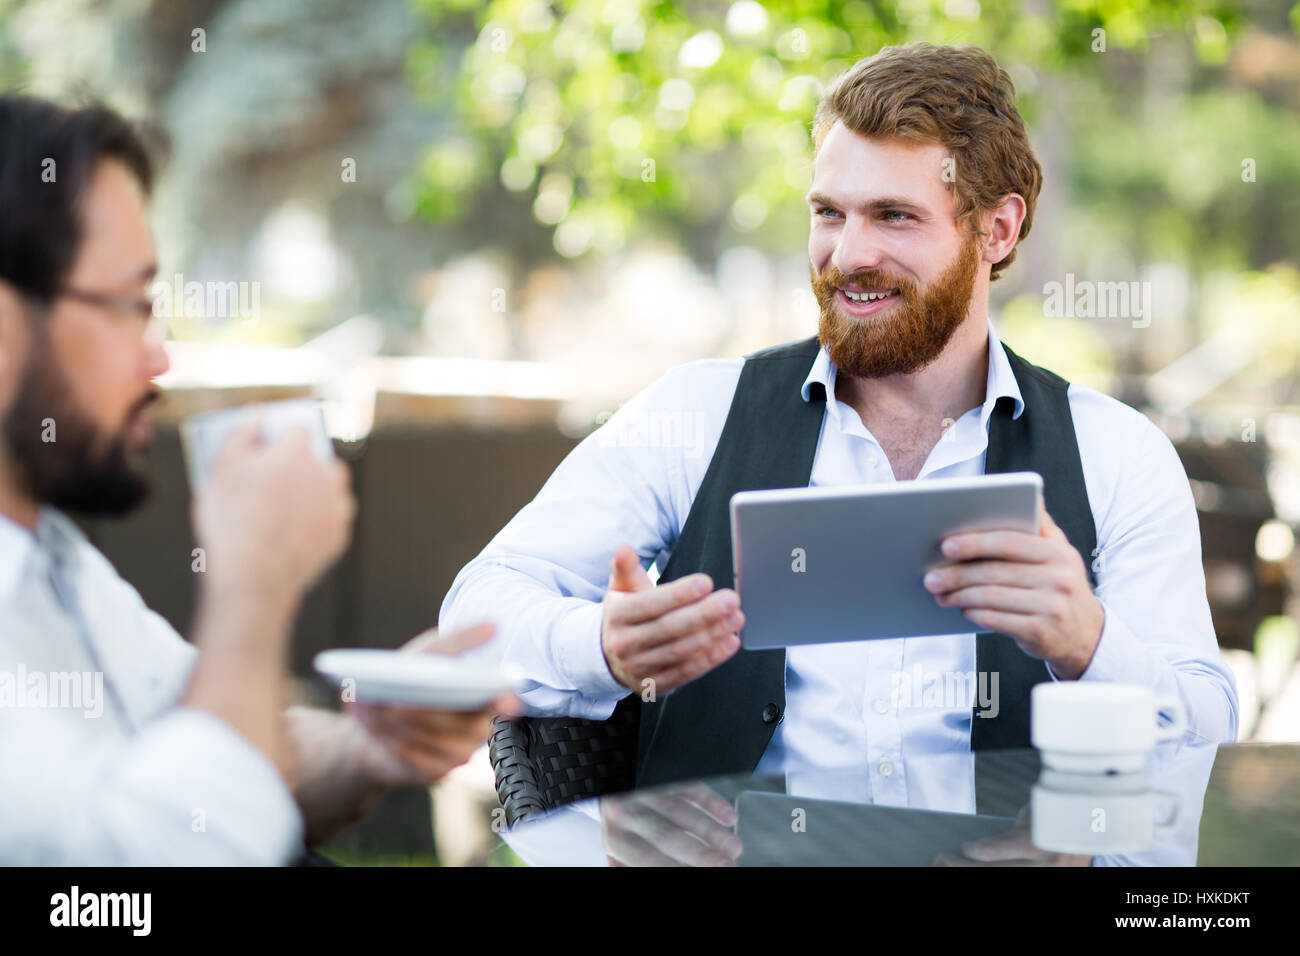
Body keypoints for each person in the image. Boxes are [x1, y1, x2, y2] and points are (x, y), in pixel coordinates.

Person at [439, 43, 1238, 826]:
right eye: (829, 213)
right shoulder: (699, 414)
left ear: (996, 231)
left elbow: (1206, 728)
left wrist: (1086, 642)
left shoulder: (1116, 454)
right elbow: (473, 619)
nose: (849, 255)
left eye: (894, 216)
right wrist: (601, 647)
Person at [0, 93, 516, 865]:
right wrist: (252, 582)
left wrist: (365, 748)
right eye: (129, 306)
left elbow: (213, 745)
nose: (159, 359)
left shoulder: (55, 561)